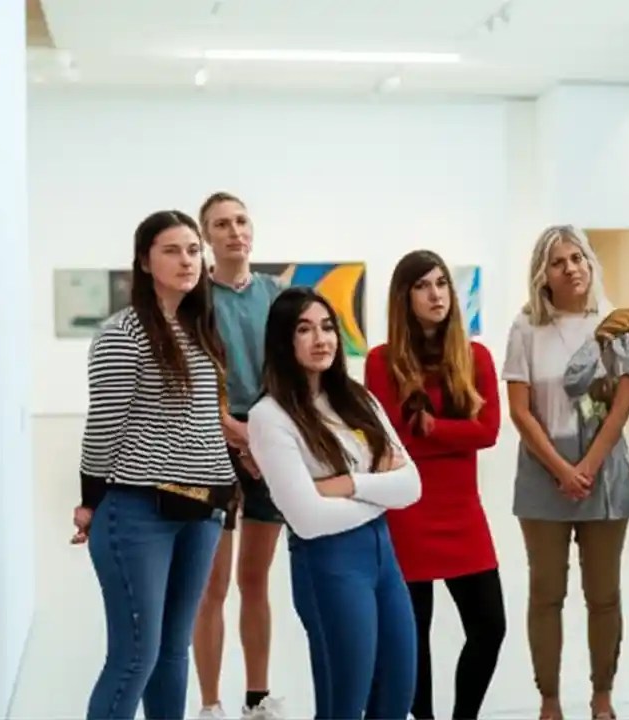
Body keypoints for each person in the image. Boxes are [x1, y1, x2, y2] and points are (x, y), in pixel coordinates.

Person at [76, 210, 237, 720]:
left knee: (172, 651)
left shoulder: (199, 330)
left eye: (193, 249)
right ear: (145, 262)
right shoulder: (123, 333)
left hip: (202, 509)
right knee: (134, 657)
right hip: (139, 510)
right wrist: (89, 502)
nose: (187, 260)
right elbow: (103, 428)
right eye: (172, 250)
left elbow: (200, 419)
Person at [247, 287, 422, 720]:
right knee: (344, 702)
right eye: (304, 329)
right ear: (283, 341)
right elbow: (308, 518)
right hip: (328, 564)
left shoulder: (358, 400)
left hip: (383, 559)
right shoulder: (270, 416)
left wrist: (344, 484)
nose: (321, 339)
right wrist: (378, 488)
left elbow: (412, 485)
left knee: (398, 693)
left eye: (327, 327)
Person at [502, 225, 629, 720]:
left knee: (603, 594)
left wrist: (588, 464)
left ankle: (602, 696)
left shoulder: (614, 322)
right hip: (544, 469)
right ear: (544, 273)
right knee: (546, 594)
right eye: (559, 261)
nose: (571, 268)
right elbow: (520, 409)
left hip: (603, 468)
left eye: (578, 257)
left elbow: (625, 395)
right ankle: (549, 700)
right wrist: (561, 467)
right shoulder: (525, 328)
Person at [364, 250, 505, 720]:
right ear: (404, 297)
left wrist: (433, 429)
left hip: (462, 510)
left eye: (442, 283)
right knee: (412, 634)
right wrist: (443, 433)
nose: (436, 294)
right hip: (408, 510)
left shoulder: (475, 356)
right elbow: (391, 440)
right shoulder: (382, 362)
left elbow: (487, 432)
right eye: (423, 286)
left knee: (489, 625)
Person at [192, 192, 285, 720]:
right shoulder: (194, 300)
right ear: (207, 236)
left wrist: (264, 439)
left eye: (241, 220)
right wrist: (234, 434)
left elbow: (289, 374)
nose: (234, 231)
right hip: (213, 450)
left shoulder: (275, 294)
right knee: (213, 584)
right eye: (221, 224)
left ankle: (257, 697)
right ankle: (210, 704)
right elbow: (192, 382)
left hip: (268, 447)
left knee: (256, 580)